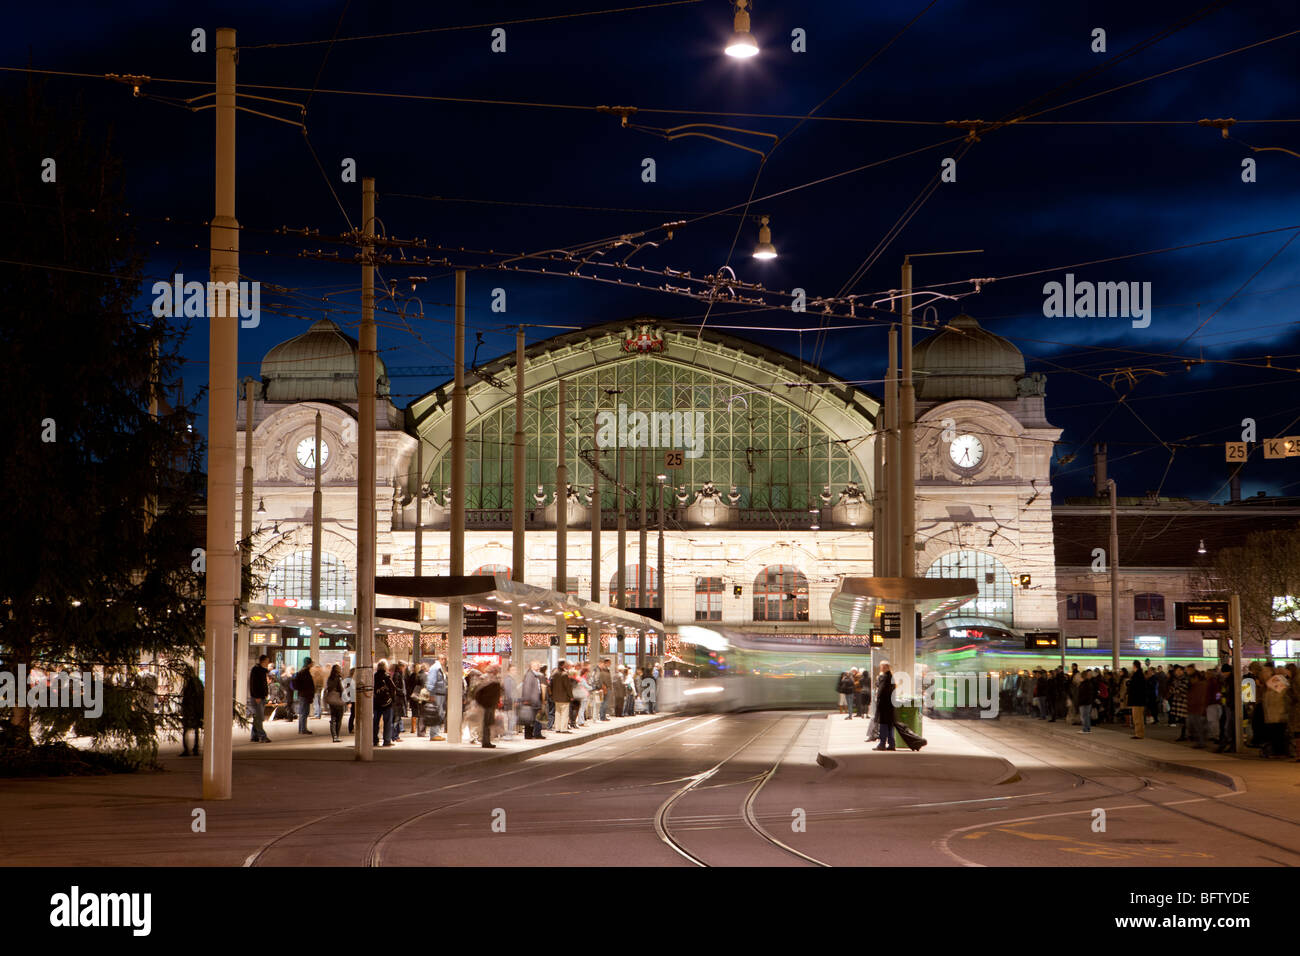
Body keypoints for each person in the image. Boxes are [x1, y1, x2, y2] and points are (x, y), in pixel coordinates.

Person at [474, 664, 503, 748]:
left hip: (490, 704)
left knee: (488, 723)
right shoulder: (486, 678)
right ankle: (485, 742)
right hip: (486, 704)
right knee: (486, 723)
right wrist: (481, 702)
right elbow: (478, 692)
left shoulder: (493, 678)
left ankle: (487, 741)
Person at [180, 664, 204, 757]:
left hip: (191, 709)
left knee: (186, 730)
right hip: (197, 709)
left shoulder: (190, 683)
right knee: (196, 730)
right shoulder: (198, 682)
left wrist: (185, 708)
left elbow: (188, 698)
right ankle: (195, 749)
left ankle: (187, 749)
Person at [248, 654, 272, 743]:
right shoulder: (256, 670)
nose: (268, 663)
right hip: (257, 697)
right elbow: (254, 684)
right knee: (259, 717)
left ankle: (254, 736)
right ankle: (262, 736)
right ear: (263, 661)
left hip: (261, 696)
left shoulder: (262, 671)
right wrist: (256, 696)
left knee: (257, 717)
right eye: (267, 661)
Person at [873, 662, 896, 751]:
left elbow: (881, 692)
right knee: (890, 725)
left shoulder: (885, 677)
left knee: (883, 724)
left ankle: (882, 744)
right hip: (890, 705)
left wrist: (878, 703)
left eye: (881, 666)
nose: (880, 668)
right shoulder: (891, 677)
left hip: (884, 705)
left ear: (885, 667)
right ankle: (891, 744)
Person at [521, 660, 546, 740]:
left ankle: (531, 734)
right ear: (532, 666)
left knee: (532, 718)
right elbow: (527, 688)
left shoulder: (535, 675)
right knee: (529, 718)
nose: (539, 667)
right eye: (537, 665)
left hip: (535, 700)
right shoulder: (530, 675)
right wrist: (527, 699)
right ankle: (528, 735)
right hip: (531, 700)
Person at [373, 660, 396, 747]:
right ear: (386, 667)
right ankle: (386, 740)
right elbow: (393, 688)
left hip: (376, 703)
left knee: (375, 722)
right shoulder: (387, 677)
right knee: (387, 722)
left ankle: (375, 740)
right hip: (387, 703)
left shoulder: (374, 676)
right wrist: (392, 699)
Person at [1186, 669, 1210, 749]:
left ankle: (1201, 742)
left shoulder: (1200, 686)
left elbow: (1199, 698)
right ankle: (1201, 742)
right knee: (1198, 726)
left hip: (1198, 709)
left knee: (1198, 727)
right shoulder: (1198, 685)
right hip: (1196, 709)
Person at [426, 656, 448, 741]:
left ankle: (436, 733)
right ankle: (434, 734)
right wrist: (431, 694)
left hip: (440, 693)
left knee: (440, 713)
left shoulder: (438, 668)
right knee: (436, 714)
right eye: (444, 659)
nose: (445, 662)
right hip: (437, 694)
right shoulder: (435, 668)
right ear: (441, 659)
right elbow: (431, 681)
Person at [325, 664, 346, 742]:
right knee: (339, 719)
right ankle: (337, 735)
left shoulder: (329, 678)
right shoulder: (339, 678)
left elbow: (328, 688)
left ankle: (334, 736)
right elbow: (341, 689)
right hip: (338, 700)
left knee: (333, 718)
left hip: (331, 700)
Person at [550, 661, 573, 733]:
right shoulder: (564, 674)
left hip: (556, 697)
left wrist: (552, 695)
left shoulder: (554, 673)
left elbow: (551, 685)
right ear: (563, 665)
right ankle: (563, 728)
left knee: (557, 712)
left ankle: (557, 728)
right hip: (564, 697)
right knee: (564, 713)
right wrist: (571, 696)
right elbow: (568, 687)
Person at [295, 658, 316, 735]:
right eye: (311, 663)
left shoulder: (302, 671)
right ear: (308, 664)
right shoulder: (305, 672)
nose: (312, 664)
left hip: (302, 694)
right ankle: (303, 729)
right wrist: (310, 694)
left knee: (302, 712)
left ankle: (301, 728)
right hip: (305, 695)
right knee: (304, 712)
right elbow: (308, 685)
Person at [1128, 662, 1147, 739]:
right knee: (1139, 717)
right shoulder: (1140, 675)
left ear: (1135, 666)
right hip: (1140, 700)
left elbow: (1134, 687)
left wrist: (1129, 683)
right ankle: (1140, 733)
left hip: (1137, 700)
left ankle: (1139, 734)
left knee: (1137, 717)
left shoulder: (1137, 675)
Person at [391, 661, 408, 741]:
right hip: (398, 700)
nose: (405, 669)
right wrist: (401, 692)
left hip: (399, 699)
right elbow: (396, 687)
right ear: (401, 666)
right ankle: (394, 736)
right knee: (396, 718)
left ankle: (396, 736)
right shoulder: (398, 675)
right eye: (404, 667)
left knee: (397, 718)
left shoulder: (399, 674)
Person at [1077, 669, 1096, 733]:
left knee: (1084, 716)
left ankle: (1085, 729)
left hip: (1084, 702)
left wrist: (1080, 701)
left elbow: (1083, 694)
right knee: (1086, 716)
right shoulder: (1087, 683)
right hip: (1087, 702)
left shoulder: (1085, 684)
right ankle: (1087, 728)